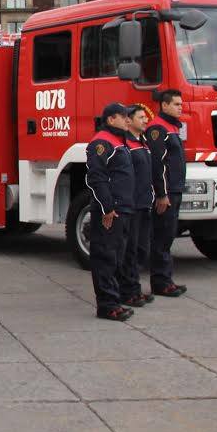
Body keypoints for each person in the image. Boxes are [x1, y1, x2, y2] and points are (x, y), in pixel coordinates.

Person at [86, 103, 136, 322]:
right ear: (110, 119)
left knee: (116, 257)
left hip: (123, 209)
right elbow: (97, 178)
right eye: (123, 117)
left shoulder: (120, 142)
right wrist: (108, 207)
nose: (128, 120)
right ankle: (107, 305)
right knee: (105, 257)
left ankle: (114, 300)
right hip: (110, 211)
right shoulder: (101, 143)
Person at [146, 89, 188, 297]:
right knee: (162, 237)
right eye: (177, 104)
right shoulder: (158, 129)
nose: (181, 107)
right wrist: (162, 194)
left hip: (175, 189)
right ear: (164, 105)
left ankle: (166, 279)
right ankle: (161, 283)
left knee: (168, 236)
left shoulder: (172, 127)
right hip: (167, 192)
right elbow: (157, 164)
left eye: (181, 104)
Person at [118, 105, 156, 309]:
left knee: (142, 249)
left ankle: (135, 287)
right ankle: (129, 291)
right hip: (131, 205)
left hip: (144, 204)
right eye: (140, 117)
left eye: (145, 117)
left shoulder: (143, 144)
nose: (145, 120)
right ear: (129, 121)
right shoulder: (127, 145)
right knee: (130, 250)